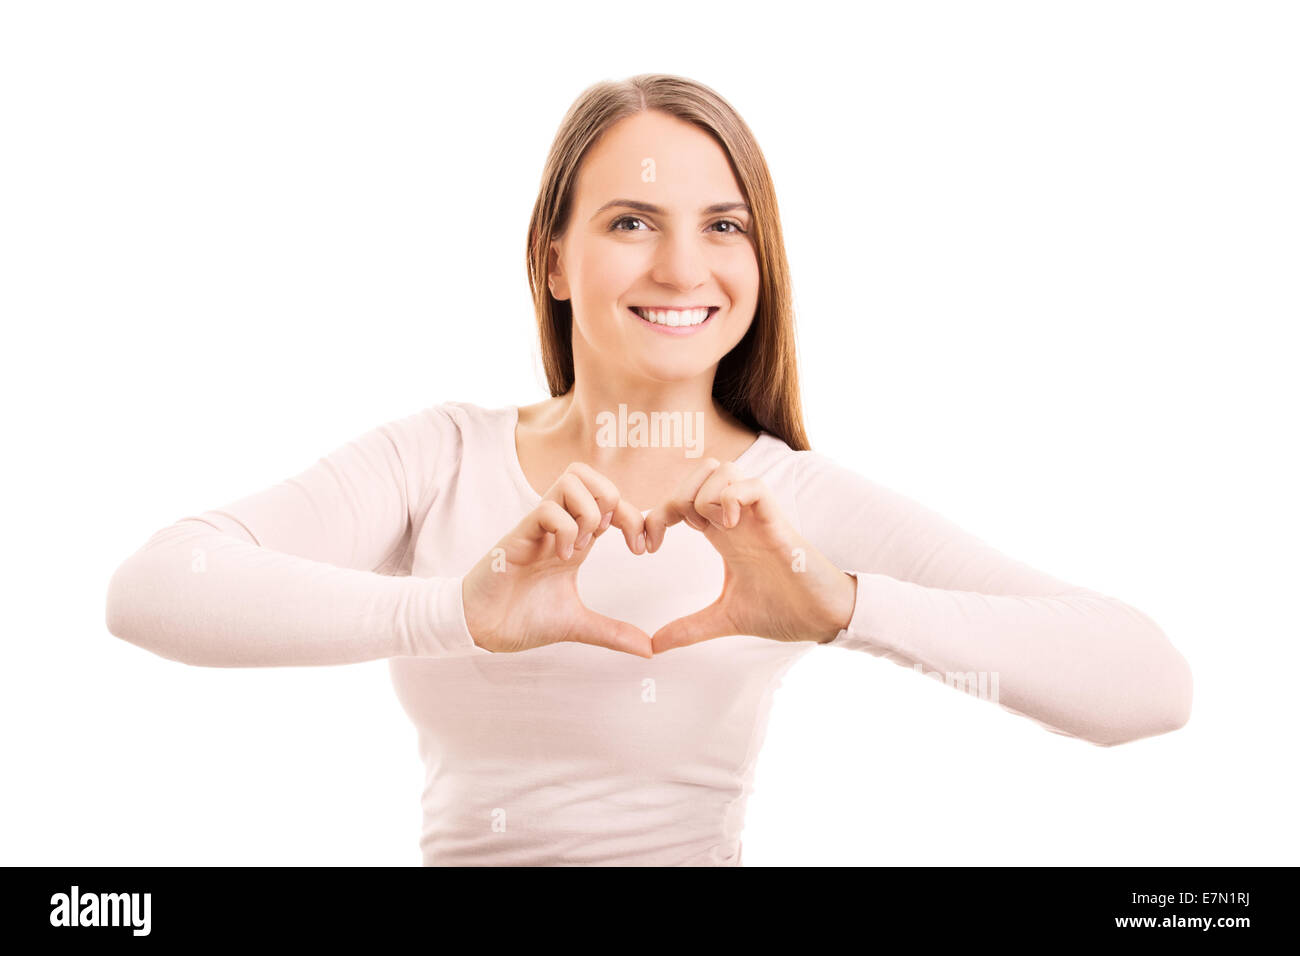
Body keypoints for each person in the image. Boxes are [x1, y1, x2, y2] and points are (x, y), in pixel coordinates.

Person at [105, 73, 1193, 866]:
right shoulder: (440, 457)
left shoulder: (790, 505)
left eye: (722, 225)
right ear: (552, 257)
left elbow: (1148, 682)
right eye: (632, 220)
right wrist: (463, 610)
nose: (682, 267)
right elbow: (155, 589)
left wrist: (842, 605)